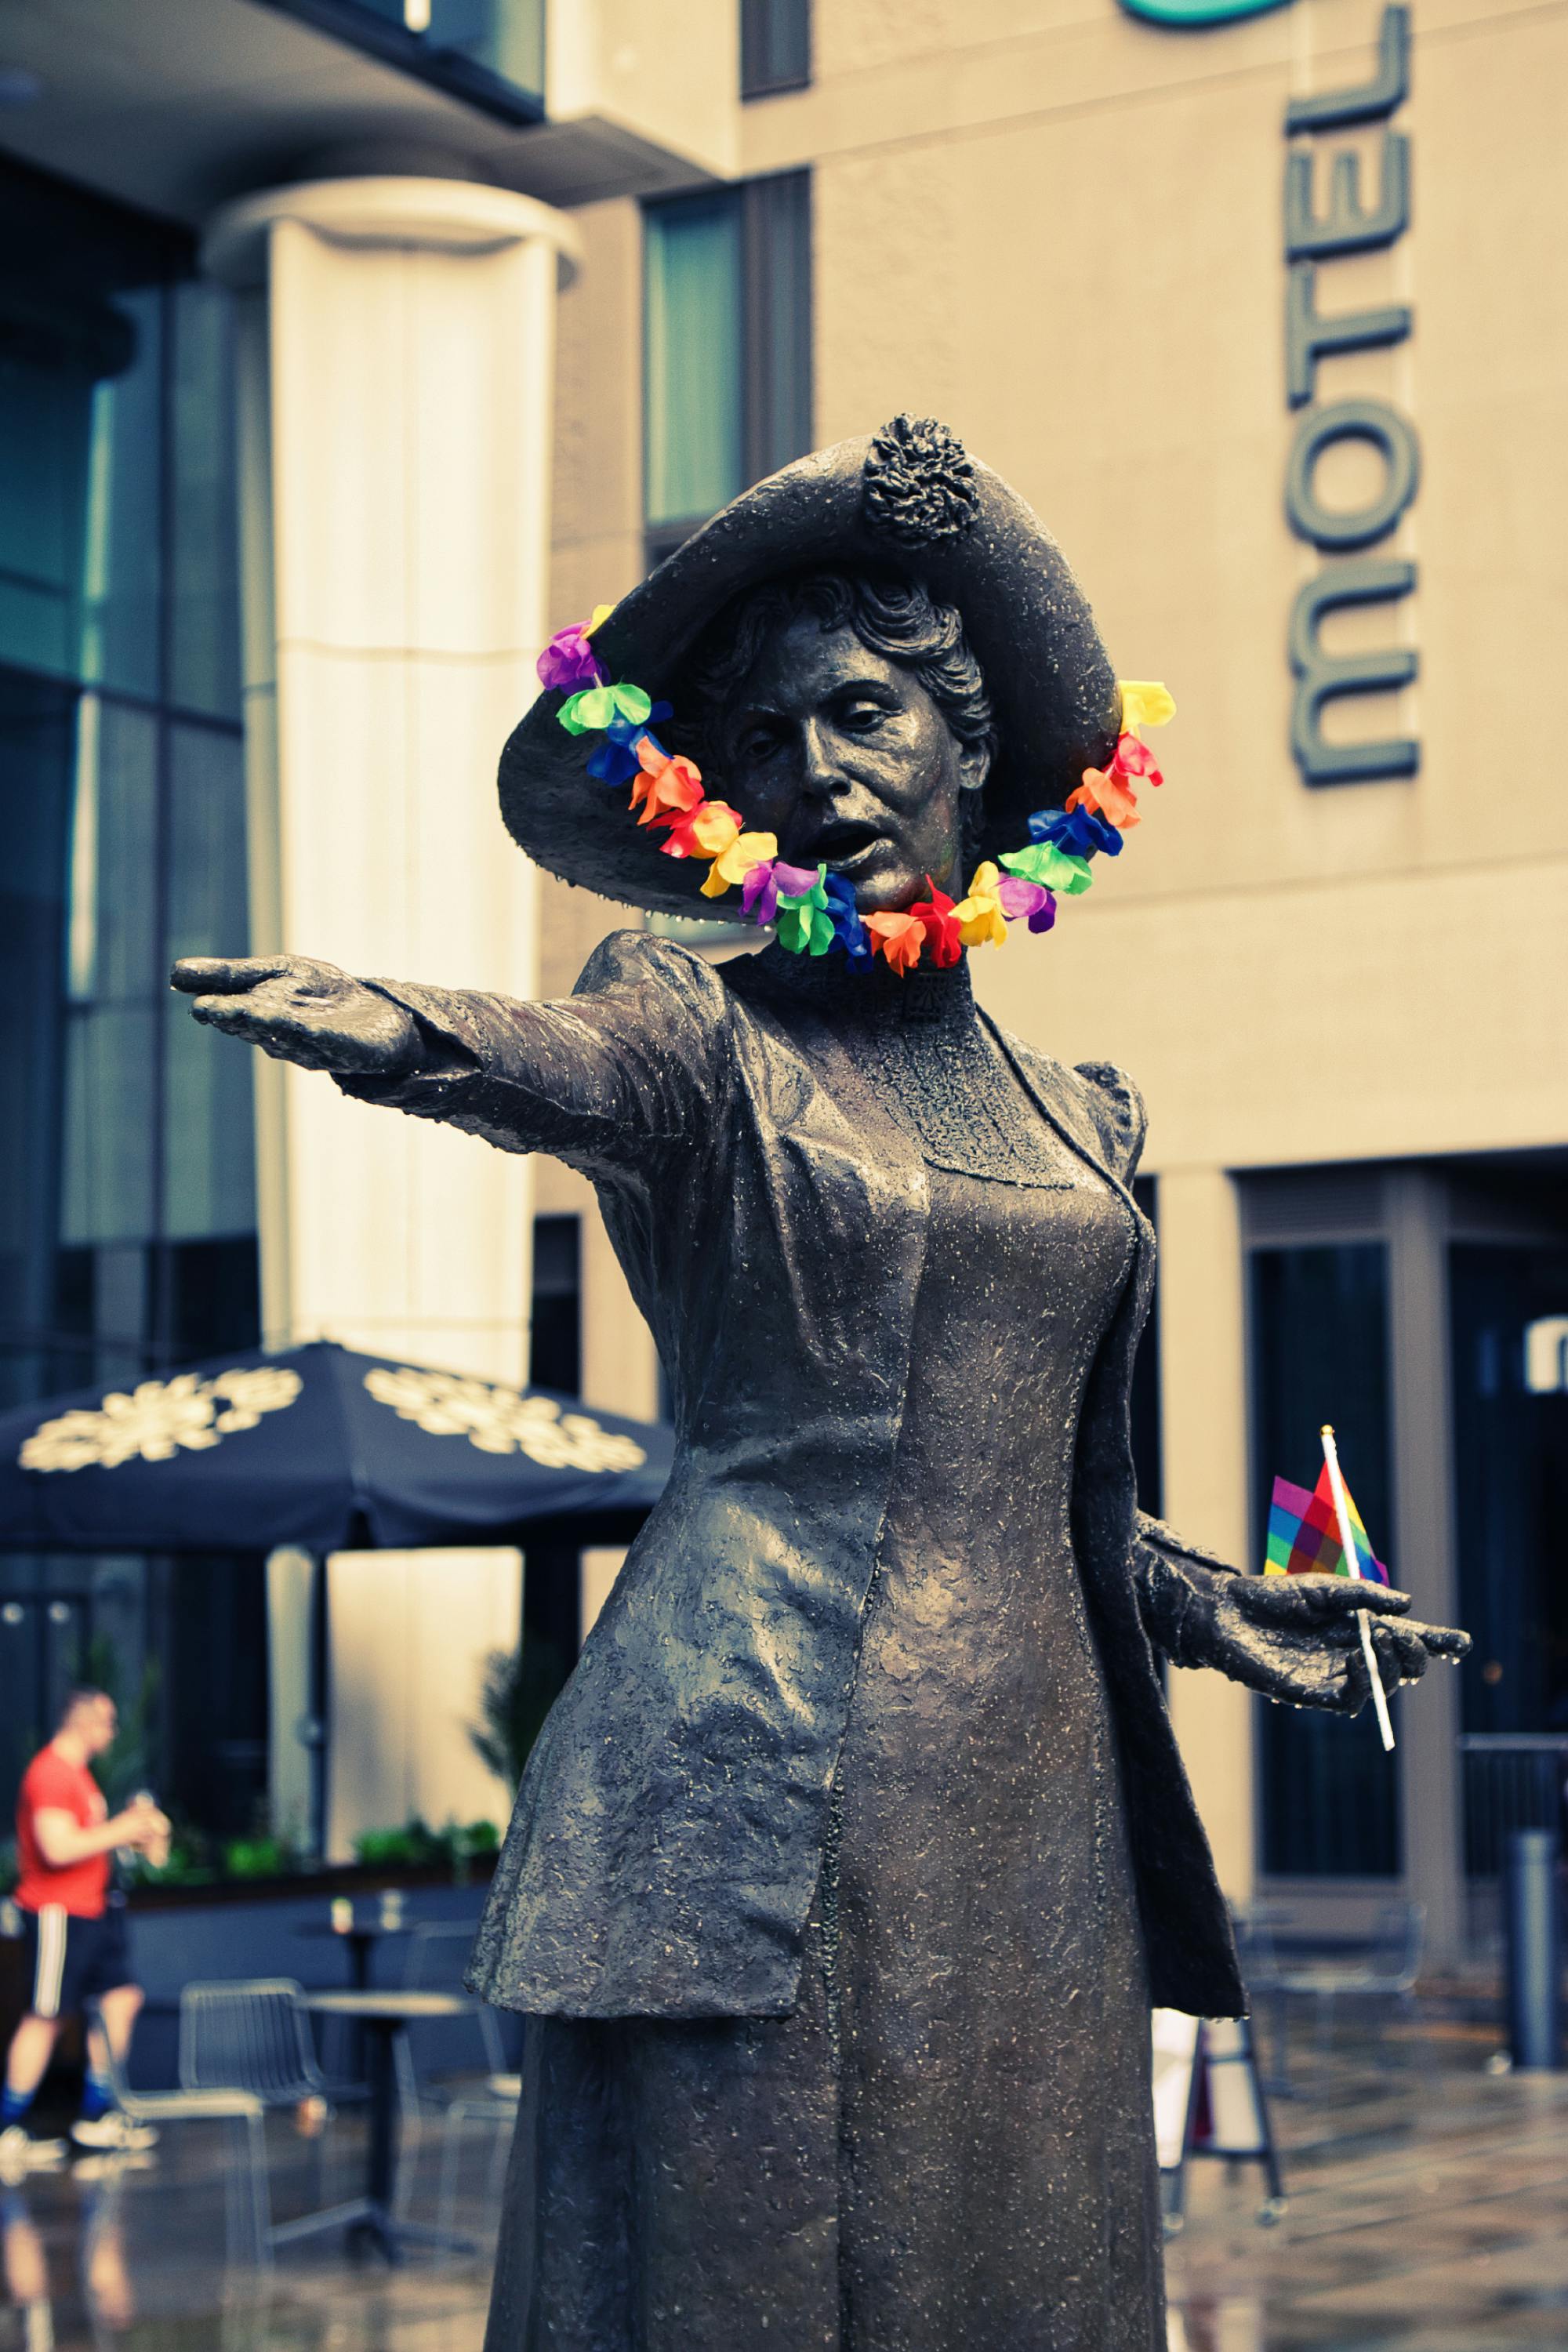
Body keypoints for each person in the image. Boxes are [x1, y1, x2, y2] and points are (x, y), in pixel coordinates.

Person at [172, 419, 1467, 2350]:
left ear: (966, 747)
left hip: (1028, 1803)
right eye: (765, 747)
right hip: (758, 1776)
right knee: (754, 2279)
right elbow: (570, 1062)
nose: (816, 773)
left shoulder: (1081, 1110)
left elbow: (1040, 1482)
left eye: (860, 714)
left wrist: (1204, 1600)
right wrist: (406, 1027)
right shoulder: (694, 1021)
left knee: (1023, 2265)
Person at [1, 1689, 168, 2169]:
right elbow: (57, 1849)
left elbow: (88, 1845)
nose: (113, 1734)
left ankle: (96, 2116)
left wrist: (134, 1840)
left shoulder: (79, 1777)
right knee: (48, 2015)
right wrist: (126, 1828)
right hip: (57, 1913)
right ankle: (7, 2128)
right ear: (86, 1722)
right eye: (108, 1723)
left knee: (121, 1999)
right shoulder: (51, 1772)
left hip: (94, 1912)